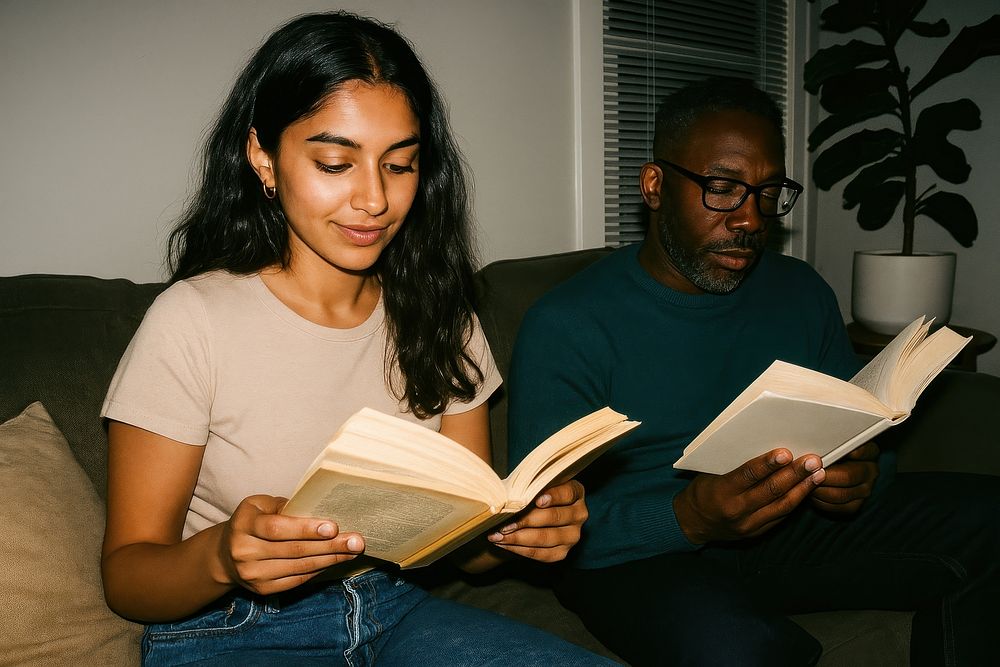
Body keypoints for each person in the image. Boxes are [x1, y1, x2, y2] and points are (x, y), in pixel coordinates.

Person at [100, 11, 616, 666]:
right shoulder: (192, 321)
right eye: (336, 162)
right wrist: (222, 554)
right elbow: (127, 576)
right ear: (263, 156)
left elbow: (468, 547)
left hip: (395, 605)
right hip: (231, 629)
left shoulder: (442, 314)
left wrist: (516, 530)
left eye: (399, 165)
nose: (374, 199)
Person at [507, 77, 999, 667]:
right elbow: (537, 524)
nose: (750, 218)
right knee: (740, 651)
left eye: (768, 194)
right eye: (722, 189)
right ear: (655, 185)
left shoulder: (800, 291)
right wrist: (688, 517)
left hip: (790, 525)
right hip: (634, 555)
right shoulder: (567, 323)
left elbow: (862, 430)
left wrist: (864, 475)